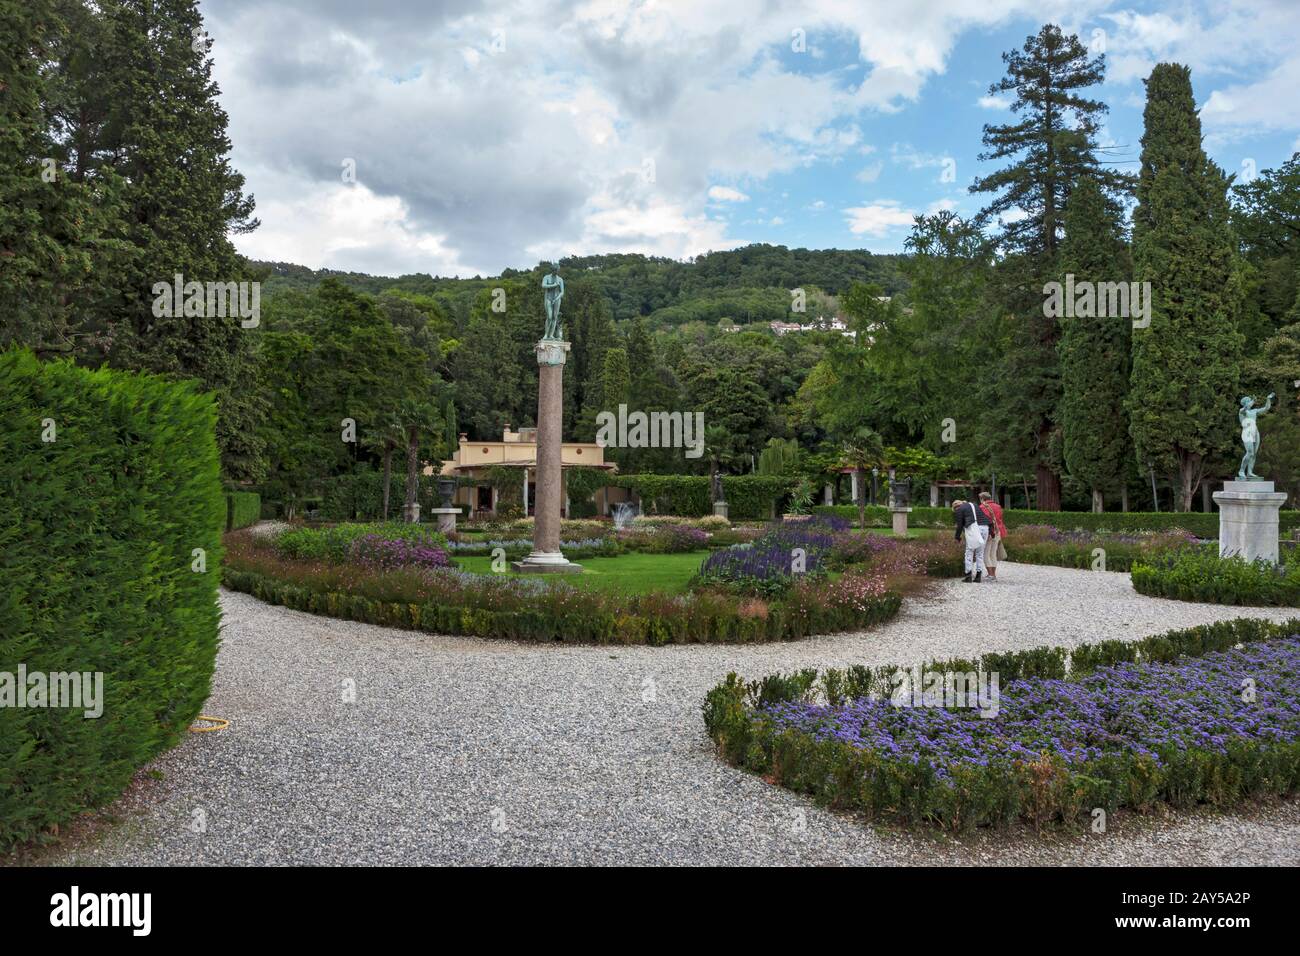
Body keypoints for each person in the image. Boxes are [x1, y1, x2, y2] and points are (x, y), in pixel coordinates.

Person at [952, 498, 990, 583]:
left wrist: (957, 538)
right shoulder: (974, 505)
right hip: (985, 528)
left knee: (969, 552)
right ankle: (978, 576)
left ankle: (968, 576)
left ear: (955, 507)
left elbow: (959, 526)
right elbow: (984, 517)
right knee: (980, 553)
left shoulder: (959, 509)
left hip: (974, 529)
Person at [978, 491, 1007, 581]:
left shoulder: (982, 507)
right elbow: (1000, 519)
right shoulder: (998, 506)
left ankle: (991, 575)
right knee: (993, 554)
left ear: (982, 498)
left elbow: (984, 521)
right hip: (998, 531)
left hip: (989, 532)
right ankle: (993, 575)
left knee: (986, 554)